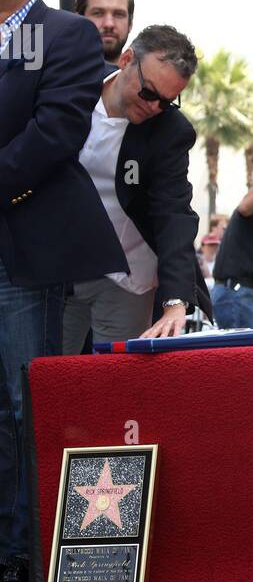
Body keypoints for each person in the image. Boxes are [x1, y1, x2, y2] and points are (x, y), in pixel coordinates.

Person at [0, 0, 130, 582]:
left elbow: (56, 130)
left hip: (27, 241)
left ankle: (25, 555)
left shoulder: (67, 34)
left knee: (26, 402)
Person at [63, 25, 212, 352]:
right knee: (42, 378)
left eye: (168, 101)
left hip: (128, 275)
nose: (155, 107)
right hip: (61, 266)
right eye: (149, 93)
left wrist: (175, 300)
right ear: (126, 60)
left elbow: (173, 212)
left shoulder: (170, 131)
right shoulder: (70, 85)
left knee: (115, 387)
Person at [211, 170, 253, 330]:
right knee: (246, 353)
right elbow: (244, 207)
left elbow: (252, 292)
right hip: (237, 293)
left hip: (242, 294)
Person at [74, 0, 134, 64]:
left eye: (118, 14)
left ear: (130, 24)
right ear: (78, 21)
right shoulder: (54, 74)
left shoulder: (146, 76)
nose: (109, 24)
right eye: (98, 13)